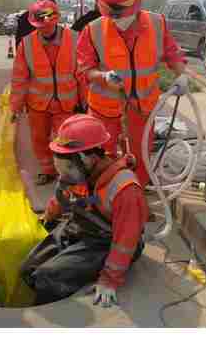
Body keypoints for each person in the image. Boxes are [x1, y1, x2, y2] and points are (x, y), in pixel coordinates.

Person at [20, 115, 149, 307]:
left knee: (47, 278)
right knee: (27, 269)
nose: (65, 172)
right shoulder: (79, 173)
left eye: (68, 165)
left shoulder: (125, 189)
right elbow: (62, 196)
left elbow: (126, 239)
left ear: (89, 157)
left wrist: (109, 279)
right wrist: (48, 216)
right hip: (81, 229)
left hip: (106, 241)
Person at [76, 0, 188, 187]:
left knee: (140, 156)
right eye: (112, 15)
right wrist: (102, 77)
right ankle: (102, 201)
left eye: (120, 14)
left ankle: (136, 196)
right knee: (100, 158)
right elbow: (84, 70)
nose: (117, 20)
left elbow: (172, 53)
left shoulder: (157, 24)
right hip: (104, 110)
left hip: (142, 110)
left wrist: (181, 75)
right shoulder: (94, 30)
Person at [10, 0, 87, 185]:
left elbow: (83, 75)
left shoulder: (75, 39)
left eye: (48, 24)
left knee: (67, 140)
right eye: (40, 25)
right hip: (38, 104)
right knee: (39, 139)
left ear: (56, 19)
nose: (44, 29)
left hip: (67, 104)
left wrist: (86, 104)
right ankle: (47, 170)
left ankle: (68, 173)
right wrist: (15, 106)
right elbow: (20, 78)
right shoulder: (26, 45)